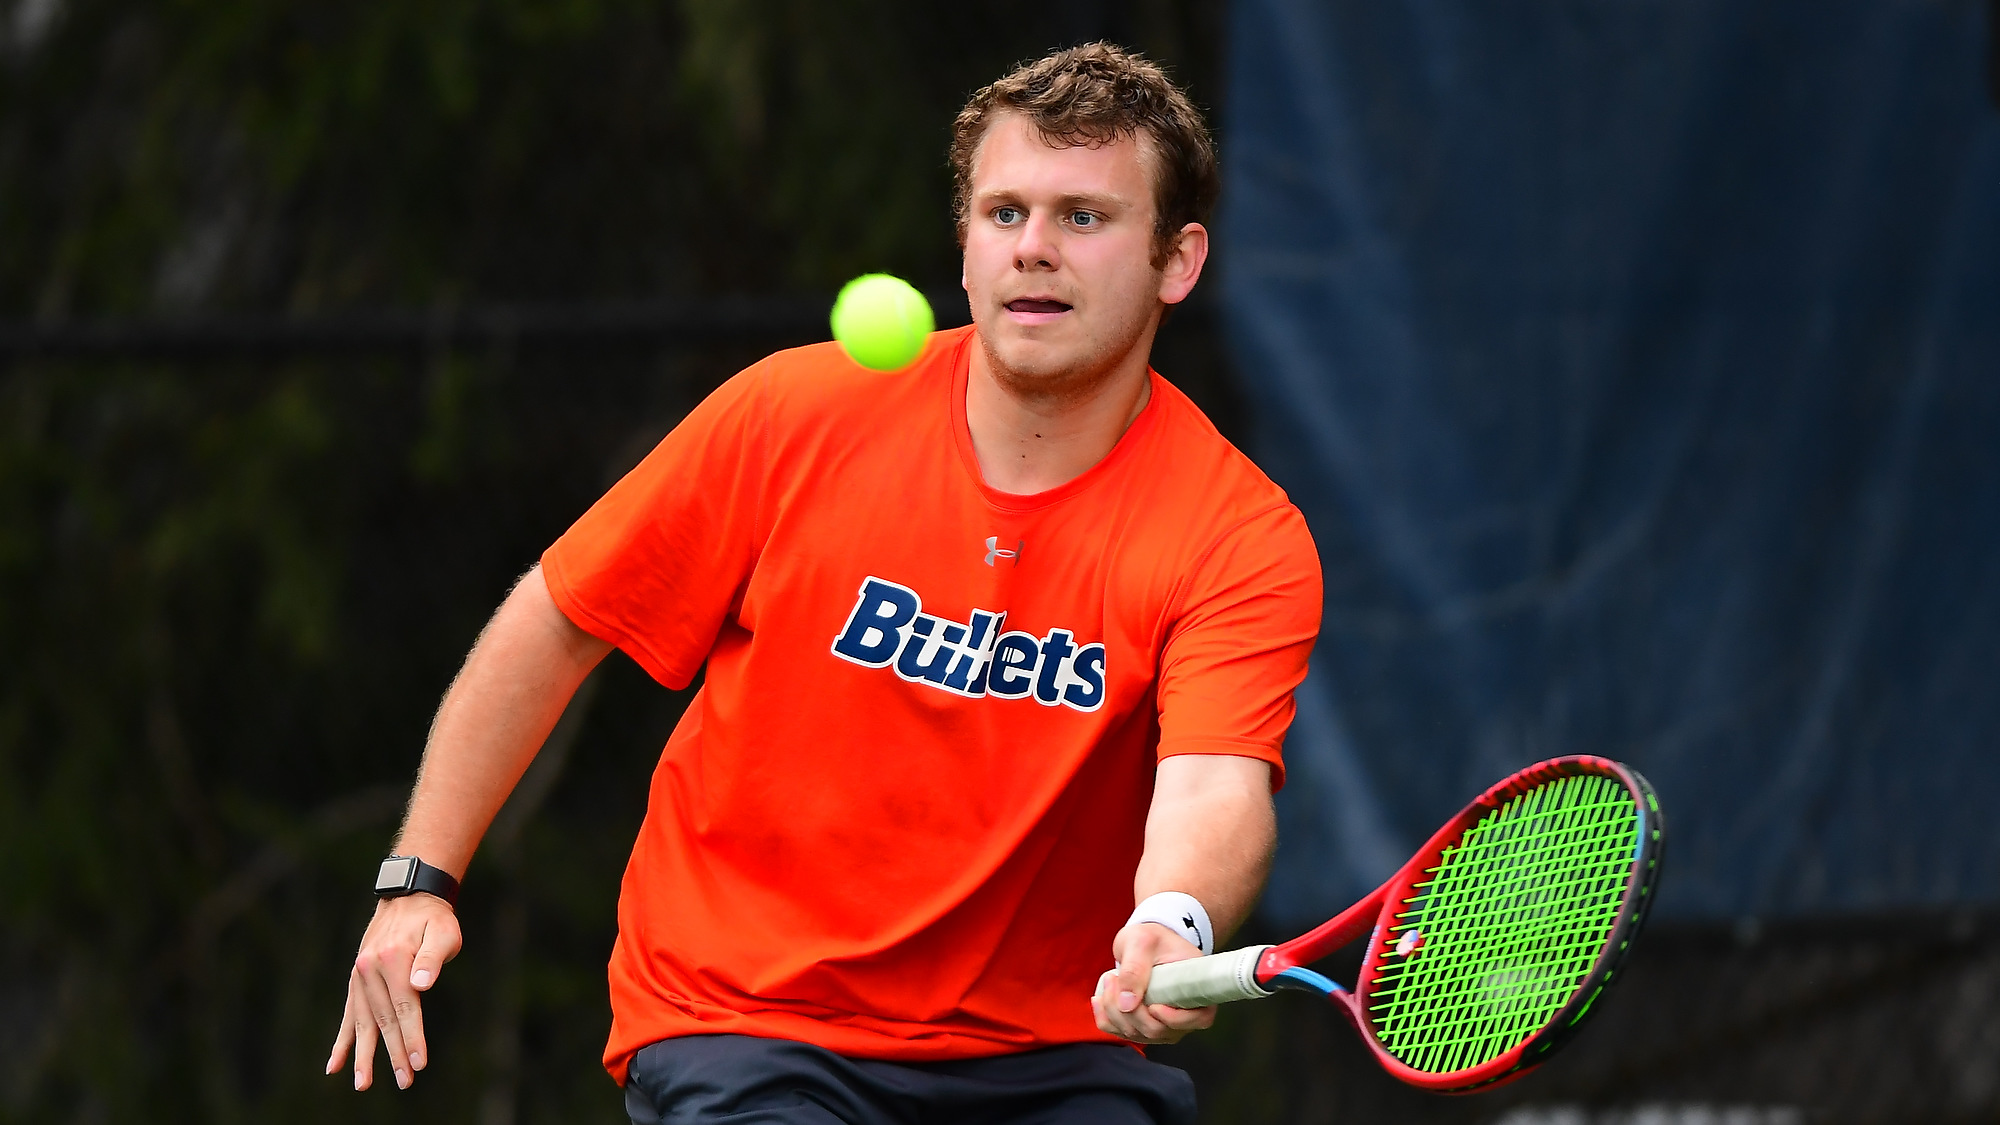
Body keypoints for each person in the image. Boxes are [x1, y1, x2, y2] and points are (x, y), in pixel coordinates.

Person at [327, 42, 1321, 1125]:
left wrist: (1174, 919)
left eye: (1083, 217)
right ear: (965, 245)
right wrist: (420, 878)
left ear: (1177, 261)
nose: (1033, 248)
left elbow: (1213, 782)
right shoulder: (790, 415)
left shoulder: (1236, 534)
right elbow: (558, 619)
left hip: (1052, 1053)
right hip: (751, 1021)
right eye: (1004, 213)